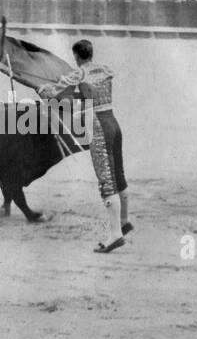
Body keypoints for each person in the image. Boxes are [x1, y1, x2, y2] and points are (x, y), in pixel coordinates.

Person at [39, 39, 130, 253]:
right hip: (114, 124)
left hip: (99, 127)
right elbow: (89, 93)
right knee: (119, 175)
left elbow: (56, 94)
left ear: (77, 56)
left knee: (106, 180)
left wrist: (43, 90)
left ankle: (116, 234)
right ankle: (124, 222)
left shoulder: (79, 74)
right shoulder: (105, 70)